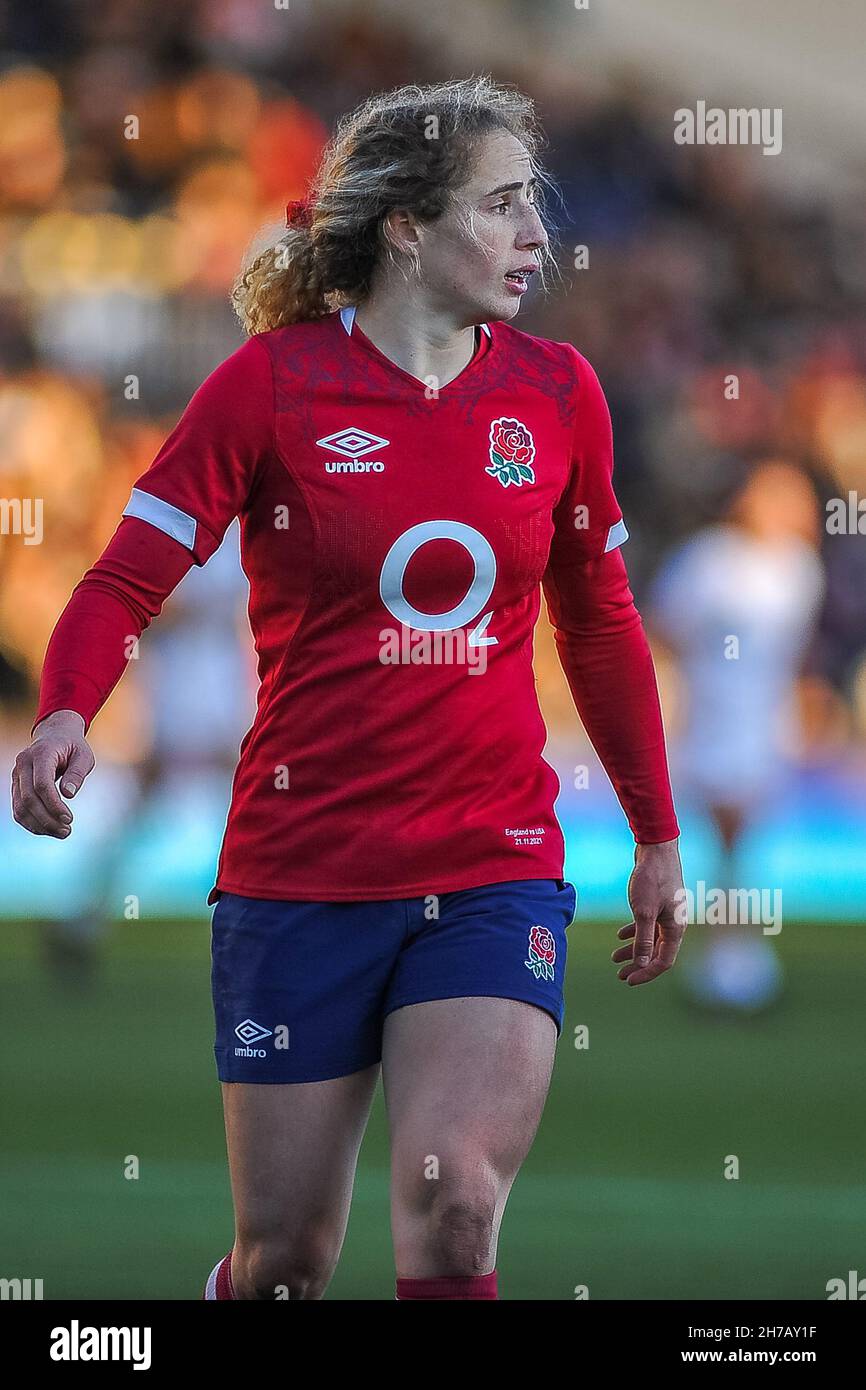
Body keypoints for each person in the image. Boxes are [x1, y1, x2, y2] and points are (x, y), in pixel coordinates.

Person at [11, 76, 684, 1301]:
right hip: (302, 868)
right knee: (284, 1265)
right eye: (501, 206)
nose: (537, 235)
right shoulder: (269, 387)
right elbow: (125, 576)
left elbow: (600, 621)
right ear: (406, 228)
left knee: (455, 1205)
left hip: (492, 860)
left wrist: (654, 832)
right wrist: (67, 707)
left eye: (533, 204)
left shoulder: (556, 393)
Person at [649, 459, 824, 1011]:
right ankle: (729, 956)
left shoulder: (798, 569)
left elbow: (791, 654)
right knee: (726, 837)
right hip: (710, 720)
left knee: (741, 845)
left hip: (764, 723)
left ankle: (730, 957)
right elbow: (663, 629)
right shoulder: (707, 559)